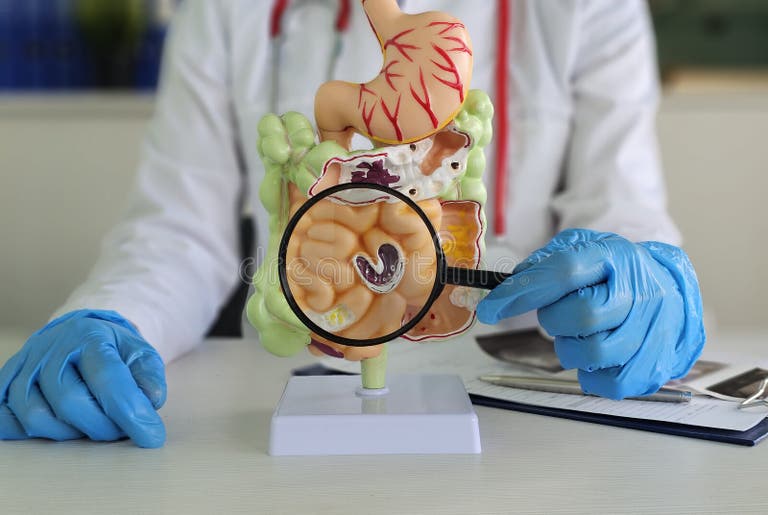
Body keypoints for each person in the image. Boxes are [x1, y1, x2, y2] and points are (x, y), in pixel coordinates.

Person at [0, 0, 704, 448]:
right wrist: (112, 314)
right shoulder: (220, 12)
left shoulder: (592, 10)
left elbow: (621, 207)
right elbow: (179, 229)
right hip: (281, 399)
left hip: (523, 419)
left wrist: (646, 278)